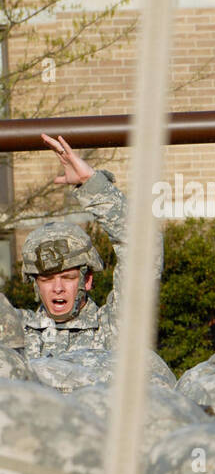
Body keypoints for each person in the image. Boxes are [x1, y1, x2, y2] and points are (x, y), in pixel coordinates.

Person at [17, 134, 158, 358]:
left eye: (68, 277)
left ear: (88, 279)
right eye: (46, 279)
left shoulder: (113, 328)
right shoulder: (16, 333)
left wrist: (91, 184)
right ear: (35, 283)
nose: (58, 288)